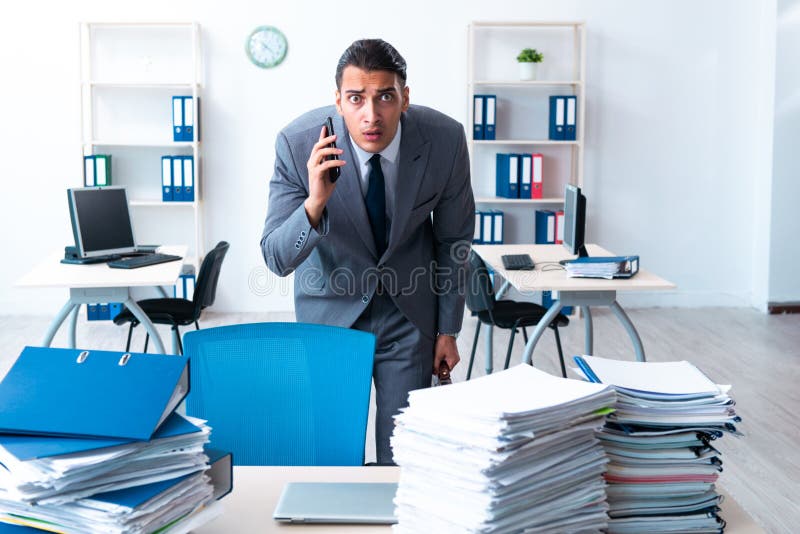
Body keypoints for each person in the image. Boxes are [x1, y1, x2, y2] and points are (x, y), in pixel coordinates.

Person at [260, 38, 474, 464]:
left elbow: (454, 243)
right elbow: (276, 258)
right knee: (332, 455)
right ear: (338, 101)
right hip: (331, 318)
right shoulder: (297, 143)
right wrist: (314, 202)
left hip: (409, 318)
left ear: (405, 98)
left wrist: (448, 328)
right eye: (356, 99)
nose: (371, 115)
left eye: (385, 97)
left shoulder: (444, 140)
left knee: (404, 457)